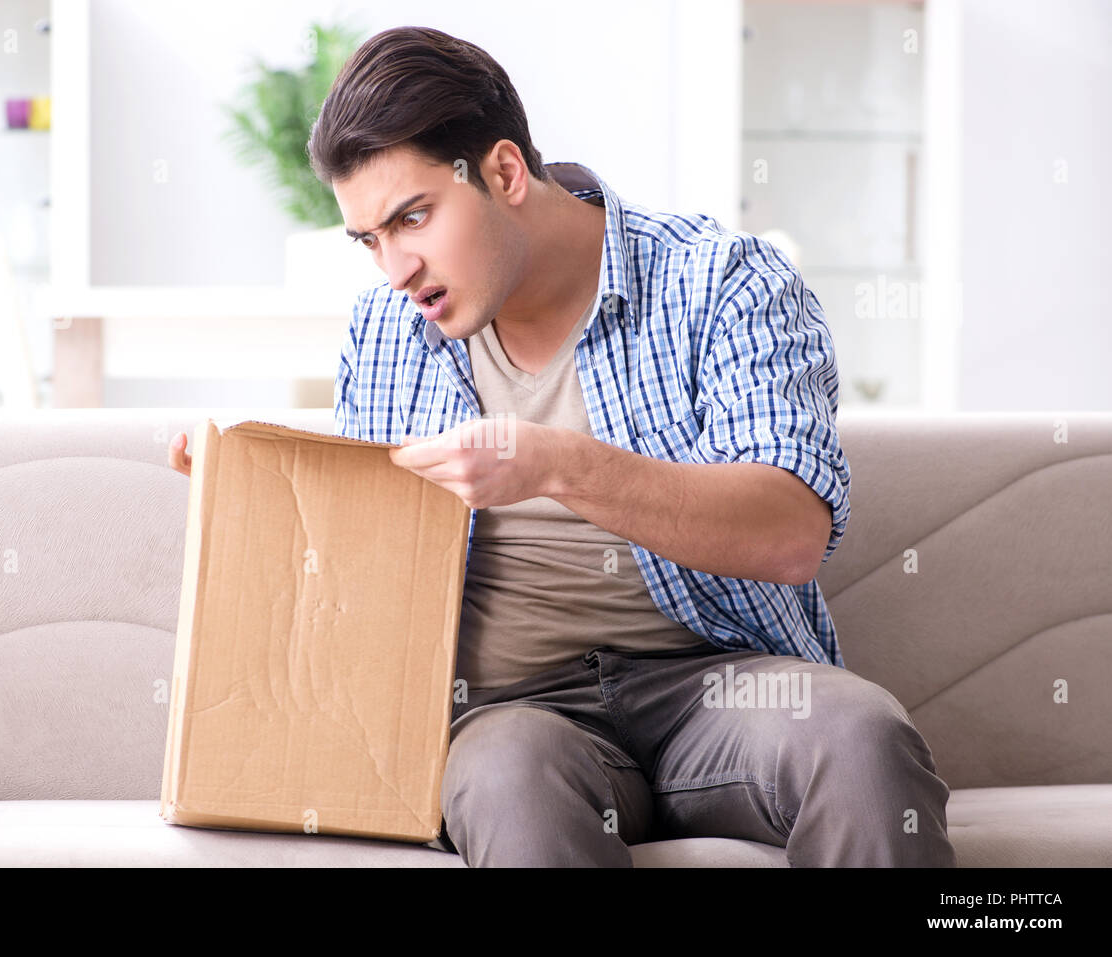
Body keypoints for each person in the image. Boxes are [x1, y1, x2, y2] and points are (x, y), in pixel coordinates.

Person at [171, 25, 956, 868]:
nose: (394, 268)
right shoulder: (386, 329)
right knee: (510, 781)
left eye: (412, 218)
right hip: (511, 710)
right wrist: (252, 494)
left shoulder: (723, 282)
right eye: (369, 238)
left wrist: (556, 463)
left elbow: (791, 531)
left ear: (505, 173)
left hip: (722, 683)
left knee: (861, 740)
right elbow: (365, 576)